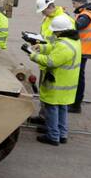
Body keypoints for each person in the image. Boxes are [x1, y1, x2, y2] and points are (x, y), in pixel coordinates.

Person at [28, 13, 79, 145]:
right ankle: (62, 134)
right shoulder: (73, 40)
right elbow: (54, 47)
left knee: (51, 108)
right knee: (62, 108)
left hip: (57, 82)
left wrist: (34, 56)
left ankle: (53, 136)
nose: (55, 34)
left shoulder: (63, 45)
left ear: (62, 31)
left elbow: (51, 61)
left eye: (56, 32)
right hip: (67, 82)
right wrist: (42, 47)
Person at [69, 0, 91, 113]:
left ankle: (76, 104)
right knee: (78, 76)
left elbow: (77, 26)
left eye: (74, 3)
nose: (73, 5)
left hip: (82, 50)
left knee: (77, 78)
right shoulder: (87, 13)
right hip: (84, 49)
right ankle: (75, 103)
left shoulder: (86, 15)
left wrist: (65, 17)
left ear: (79, 2)